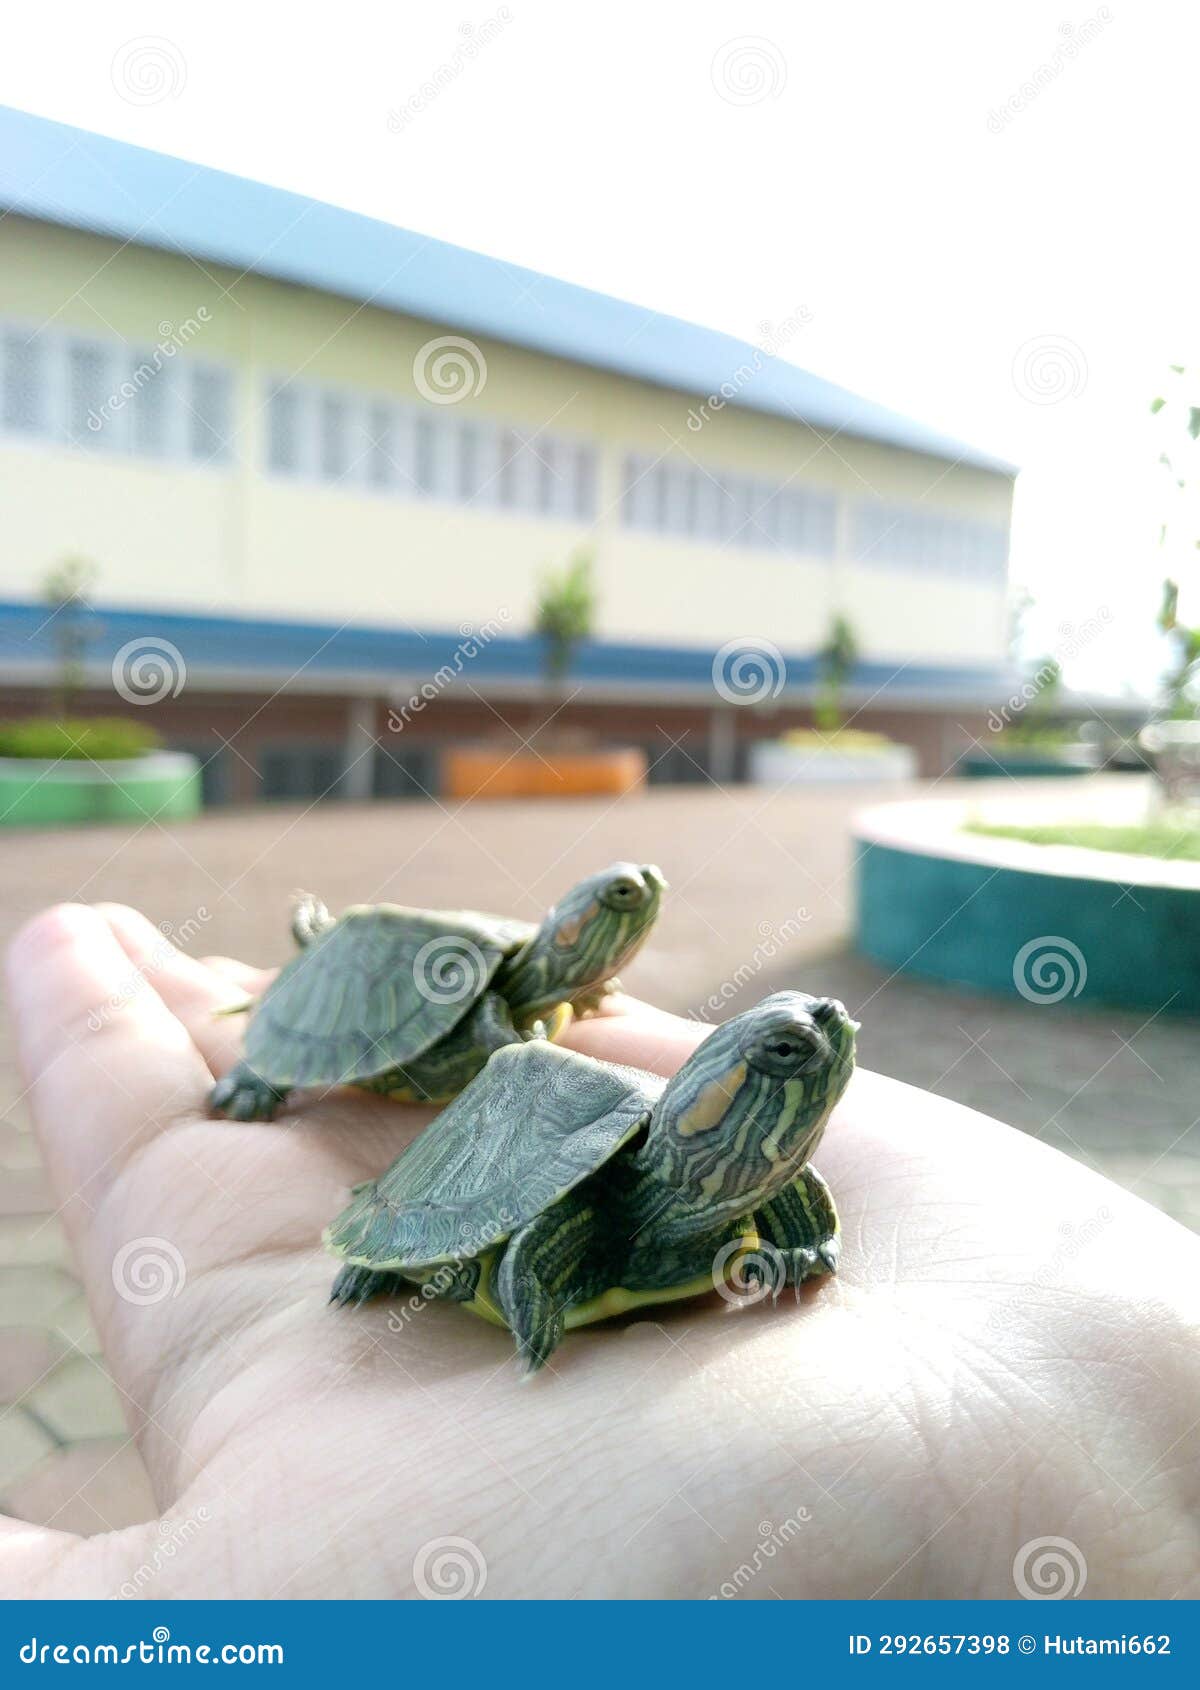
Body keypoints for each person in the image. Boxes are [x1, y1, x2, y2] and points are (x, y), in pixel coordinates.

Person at [3, 902, 1198, 1600]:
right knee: (432, 1240)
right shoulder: (609, 1177)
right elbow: (530, 1250)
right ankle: (384, 1247)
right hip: (500, 1179)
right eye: (780, 1055)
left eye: (809, 1052)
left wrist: (804, 1248)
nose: (823, 1032)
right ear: (713, 1093)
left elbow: (791, 1198)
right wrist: (510, 1306)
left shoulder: (748, 1194)